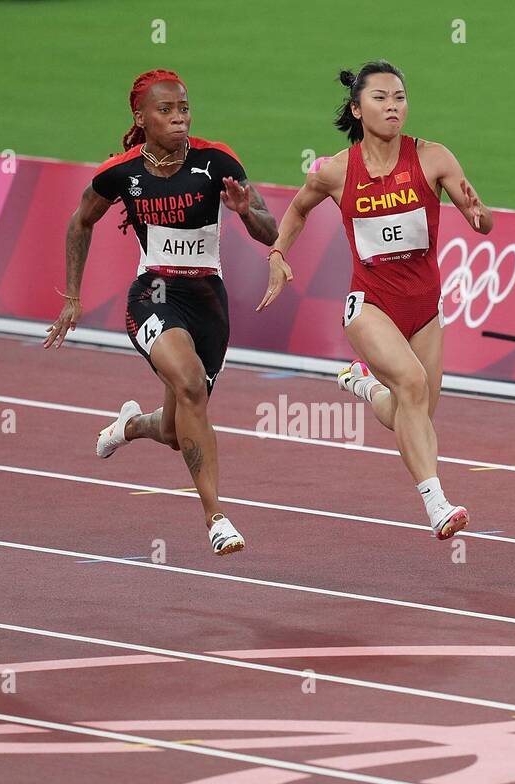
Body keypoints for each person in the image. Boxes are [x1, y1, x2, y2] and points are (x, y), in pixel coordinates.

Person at [45, 69, 278, 555]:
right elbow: (80, 221)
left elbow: (270, 231)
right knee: (190, 383)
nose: (179, 119)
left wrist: (244, 211)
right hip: (153, 293)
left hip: (208, 301)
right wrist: (71, 297)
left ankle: (131, 424)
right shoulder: (122, 172)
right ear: (141, 117)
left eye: (184, 109)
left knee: (174, 431)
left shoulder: (217, 162)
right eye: (166, 110)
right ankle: (216, 516)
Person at [257, 61, 491, 540]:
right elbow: (298, 209)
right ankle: (437, 504)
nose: (393, 106)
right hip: (369, 304)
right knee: (410, 382)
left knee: (414, 413)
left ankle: (363, 386)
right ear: (357, 109)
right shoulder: (334, 171)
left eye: (400, 97)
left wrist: (479, 215)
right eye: (381, 98)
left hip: (425, 306)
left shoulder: (433, 158)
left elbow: (480, 220)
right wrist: (278, 252)